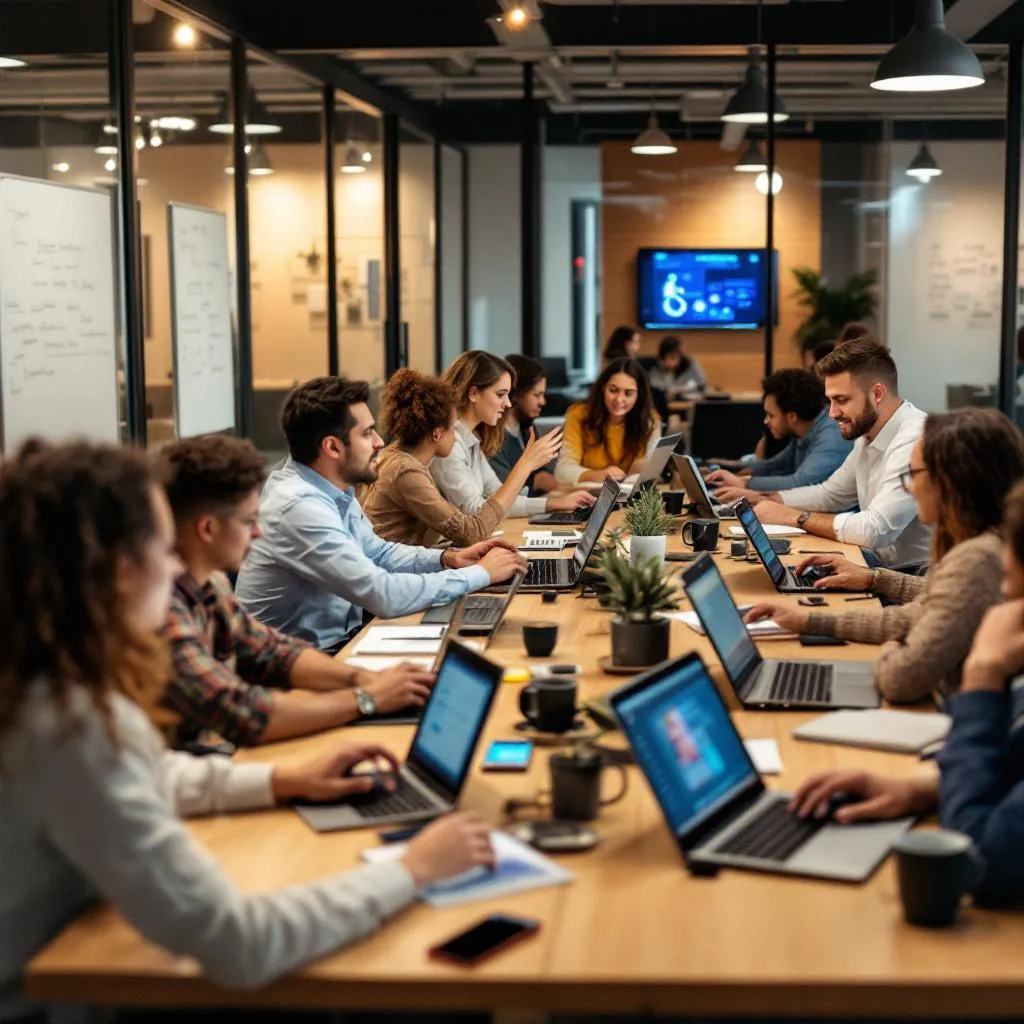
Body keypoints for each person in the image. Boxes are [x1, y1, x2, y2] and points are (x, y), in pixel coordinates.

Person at [0, 439, 495, 1015]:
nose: (174, 568)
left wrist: (283, 781)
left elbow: (149, 775)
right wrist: (413, 869)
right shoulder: (75, 726)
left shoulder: (37, 687)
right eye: (163, 549)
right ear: (117, 574)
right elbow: (241, 942)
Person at [788, 478, 1024, 907]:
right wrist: (917, 791)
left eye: (1012, 576)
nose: (1004, 591)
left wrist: (982, 677)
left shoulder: (977, 562)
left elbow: (982, 860)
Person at [156, 435, 436, 747]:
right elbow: (238, 711)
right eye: (249, 521)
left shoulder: (210, 580)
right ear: (207, 529)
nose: (258, 531)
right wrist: (366, 698)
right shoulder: (159, 605)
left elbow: (269, 650)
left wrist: (363, 678)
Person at [744, 408, 1024, 704]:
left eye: (912, 475)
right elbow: (923, 611)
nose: (909, 488)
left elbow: (901, 679)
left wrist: (895, 645)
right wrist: (809, 621)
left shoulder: (977, 558)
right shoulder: (984, 545)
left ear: (949, 481)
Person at [235, 376, 525, 654]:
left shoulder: (335, 490)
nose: (378, 442)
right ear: (332, 447)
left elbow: (379, 553)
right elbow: (382, 593)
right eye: (366, 433)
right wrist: (480, 574)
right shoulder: (299, 507)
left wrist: (448, 559)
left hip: (341, 642)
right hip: (301, 665)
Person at [736, 336, 932, 570]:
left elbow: (875, 530)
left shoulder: (914, 439)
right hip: (877, 563)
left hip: (915, 576)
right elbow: (831, 495)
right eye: (830, 401)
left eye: (841, 400)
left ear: (877, 394)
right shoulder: (868, 432)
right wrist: (769, 500)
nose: (832, 413)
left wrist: (795, 518)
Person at [363, 368, 563, 547]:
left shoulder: (404, 459)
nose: (456, 435)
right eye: (453, 429)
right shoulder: (405, 471)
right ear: (437, 434)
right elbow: (472, 532)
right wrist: (525, 465)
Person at [429, 351, 595, 522]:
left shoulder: (470, 439)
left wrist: (555, 504)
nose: (508, 403)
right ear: (473, 394)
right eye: (500, 394)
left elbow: (500, 498)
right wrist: (527, 463)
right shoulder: (450, 445)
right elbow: (476, 510)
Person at [706, 369, 851, 498]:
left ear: (791, 416)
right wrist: (724, 473)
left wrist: (745, 484)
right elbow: (772, 466)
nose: (766, 421)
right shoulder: (803, 431)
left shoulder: (832, 436)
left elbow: (800, 483)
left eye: (771, 415)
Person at [555, 358, 662, 486]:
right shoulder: (578, 415)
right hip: (585, 496)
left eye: (628, 393)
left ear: (639, 395)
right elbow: (562, 471)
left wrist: (642, 467)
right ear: (603, 388)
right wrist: (597, 475)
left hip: (630, 496)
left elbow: (654, 466)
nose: (619, 399)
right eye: (613, 390)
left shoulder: (650, 420)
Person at [489, 354, 558, 494]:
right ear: (517, 393)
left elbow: (544, 473)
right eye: (537, 394)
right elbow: (501, 489)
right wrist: (535, 481)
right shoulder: (493, 437)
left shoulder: (527, 427)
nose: (542, 402)